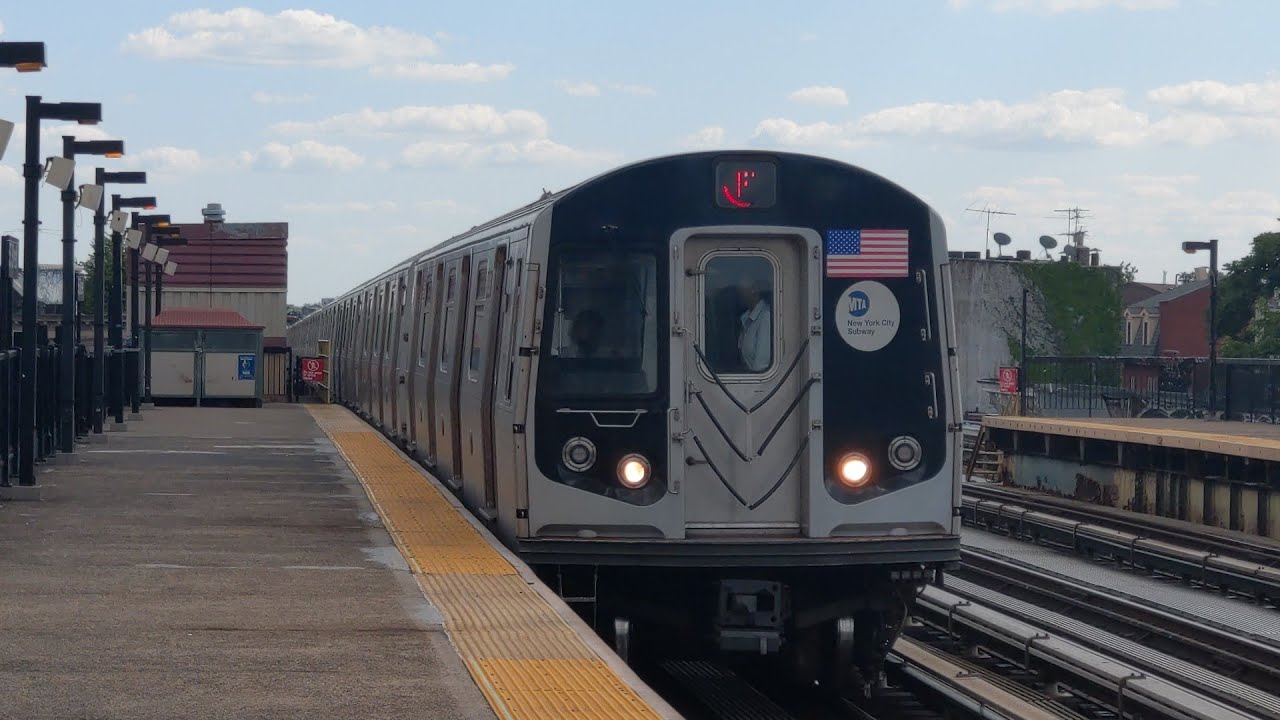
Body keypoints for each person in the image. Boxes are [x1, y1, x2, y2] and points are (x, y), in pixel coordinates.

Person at [736, 274, 771, 372]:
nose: (738, 293)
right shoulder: (745, 318)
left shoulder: (765, 316)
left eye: (741, 289)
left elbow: (761, 363)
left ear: (754, 289)